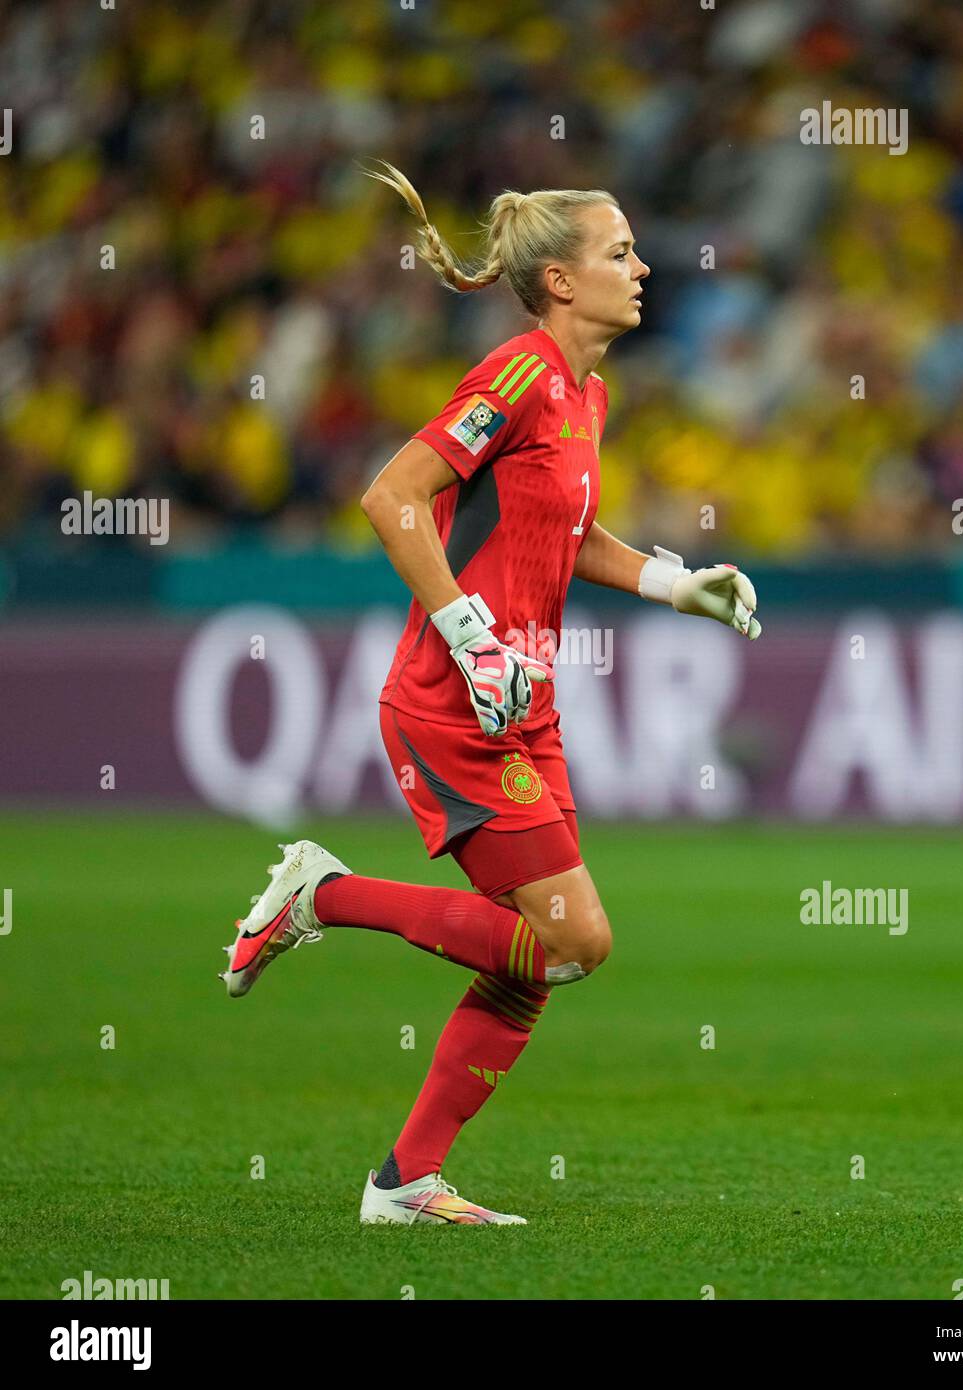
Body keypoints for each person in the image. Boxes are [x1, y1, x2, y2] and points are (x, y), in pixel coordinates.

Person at [220, 161, 762, 1226]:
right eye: (618, 253)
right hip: (451, 701)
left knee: (535, 960)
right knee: (574, 942)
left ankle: (404, 1182)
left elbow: (561, 533)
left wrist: (673, 583)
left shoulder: (584, 392)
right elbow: (392, 496)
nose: (641, 266)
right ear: (559, 280)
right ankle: (321, 895)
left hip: (521, 701)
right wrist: (468, 638)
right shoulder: (514, 375)